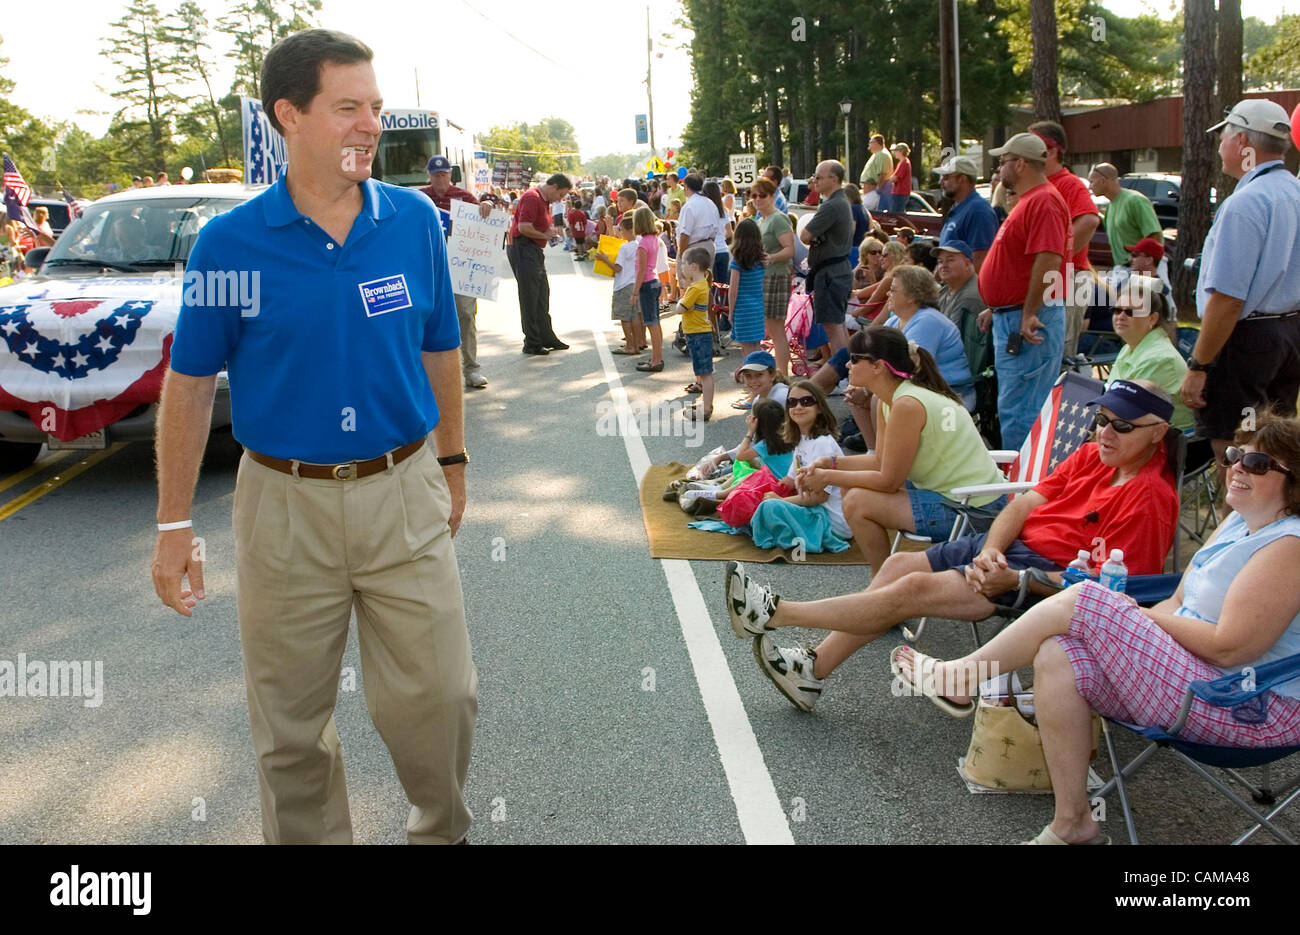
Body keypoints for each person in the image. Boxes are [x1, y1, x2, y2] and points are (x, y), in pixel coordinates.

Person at [154, 28, 476, 845]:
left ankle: (440, 831)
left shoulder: (411, 223)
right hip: (281, 506)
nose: (370, 124)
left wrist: (453, 462)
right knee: (290, 731)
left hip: (403, 488)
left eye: (374, 107)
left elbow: (441, 350)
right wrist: (172, 524)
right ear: (288, 116)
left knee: (440, 699)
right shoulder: (230, 245)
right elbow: (189, 387)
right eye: (348, 108)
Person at [891, 410, 1300, 845]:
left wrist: (1128, 616)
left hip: (1246, 705)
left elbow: (1229, 648)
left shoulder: (1287, 547)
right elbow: (1179, 601)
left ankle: (962, 676)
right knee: (1058, 652)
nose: (1236, 468)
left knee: (1088, 597)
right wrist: (1130, 623)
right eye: (1237, 455)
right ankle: (1074, 823)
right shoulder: (1239, 523)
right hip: (1193, 677)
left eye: (1256, 465)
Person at [726, 379, 1180, 713]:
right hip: (1004, 547)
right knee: (897, 569)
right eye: (1102, 419)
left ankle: (777, 612)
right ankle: (813, 669)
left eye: (1122, 425)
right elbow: (1022, 507)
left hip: (1044, 577)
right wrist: (991, 551)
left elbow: (1117, 591)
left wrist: (1018, 578)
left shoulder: (1150, 498)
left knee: (910, 593)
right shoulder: (1093, 455)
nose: (1105, 432)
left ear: (1158, 432)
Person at [796, 326, 1004, 571]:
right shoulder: (889, 399)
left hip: (974, 510)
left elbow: (888, 481)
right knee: (853, 488)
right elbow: (879, 461)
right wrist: (829, 463)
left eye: (854, 359)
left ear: (878, 366)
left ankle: (882, 581)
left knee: (858, 502)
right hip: (961, 498)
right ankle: (884, 579)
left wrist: (828, 477)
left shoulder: (906, 404)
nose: (848, 365)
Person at [1182, 98, 1300, 490]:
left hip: (1246, 341)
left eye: (1225, 136)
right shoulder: (1293, 191)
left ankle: (1241, 542)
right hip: (1286, 333)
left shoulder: (1246, 202)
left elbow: (1228, 299)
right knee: (1275, 451)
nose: (1220, 147)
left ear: (1243, 141)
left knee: (1236, 455)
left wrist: (1199, 365)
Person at [977, 132, 1070, 450]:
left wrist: (1028, 312)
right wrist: (997, 305)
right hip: (1015, 315)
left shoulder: (1043, 200)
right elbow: (1020, 262)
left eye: (1002, 161)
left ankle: (1023, 490)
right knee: (1015, 405)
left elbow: (1049, 259)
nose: (999, 168)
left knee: (1023, 410)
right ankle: (1020, 485)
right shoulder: (1030, 200)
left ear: (1019, 164)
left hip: (1028, 319)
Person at [746, 380, 851, 551]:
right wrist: (756, 490)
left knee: (770, 507)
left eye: (806, 401)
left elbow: (819, 497)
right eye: (792, 402)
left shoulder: (821, 443)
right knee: (758, 496)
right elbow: (788, 480)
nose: (798, 407)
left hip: (831, 521)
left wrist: (780, 500)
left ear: (819, 408)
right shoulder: (801, 439)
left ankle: (795, 536)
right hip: (815, 509)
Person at [420, 153, 493, 389]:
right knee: (423, 317)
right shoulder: (420, 197)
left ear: (450, 175)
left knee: (465, 314)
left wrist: (487, 206)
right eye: (436, 175)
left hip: (461, 270)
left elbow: (485, 220)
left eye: (444, 175)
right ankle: (426, 372)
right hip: (428, 269)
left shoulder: (464, 197)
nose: (440, 179)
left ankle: (471, 368)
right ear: (429, 175)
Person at [879, 266, 975, 409]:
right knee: (860, 395)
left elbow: (912, 366)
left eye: (893, 290)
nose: (888, 294)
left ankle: (890, 432)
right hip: (919, 386)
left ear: (911, 296)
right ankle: (877, 433)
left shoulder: (928, 321)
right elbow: (876, 353)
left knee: (878, 398)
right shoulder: (894, 320)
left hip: (948, 390)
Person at [1108, 275, 1193, 432]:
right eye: (1117, 310)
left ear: (1152, 318)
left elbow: (1128, 412)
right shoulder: (1129, 347)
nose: (1121, 316)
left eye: (1131, 312)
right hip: (1131, 429)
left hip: (1164, 440)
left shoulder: (1159, 358)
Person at [508, 173, 573, 355]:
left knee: (541, 295)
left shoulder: (542, 201)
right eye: (560, 195)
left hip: (533, 250)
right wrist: (545, 235)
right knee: (530, 297)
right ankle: (532, 342)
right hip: (523, 248)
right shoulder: (532, 197)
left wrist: (548, 231)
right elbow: (523, 227)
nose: (559, 199)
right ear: (554, 187)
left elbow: (535, 224)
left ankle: (546, 336)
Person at [801, 160, 855, 356]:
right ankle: (848, 369)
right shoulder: (842, 202)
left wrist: (815, 237)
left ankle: (843, 374)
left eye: (819, 177)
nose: (815, 181)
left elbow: (805, 235)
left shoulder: (832, 205)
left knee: (832, 327)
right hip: (837, 270)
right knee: (838, 324)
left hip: (830, 273)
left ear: (834, 179)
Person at [749, 177, 795, 375]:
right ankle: (774, 373)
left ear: (773, 196)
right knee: (768, 328)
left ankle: (783, 375)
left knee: (776, 330)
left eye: (763, 195)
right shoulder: (760, 220)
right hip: (763, 277)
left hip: (776, 277)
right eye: (754, 195)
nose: (758, 199)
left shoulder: (778, 218)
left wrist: (772, 257)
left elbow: (790, 249)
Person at [1087, 162, 1161, 268]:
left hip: (1146, 266)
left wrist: (1146, 266)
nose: (1089, 187)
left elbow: (1155, 236)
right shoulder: (1110, 207)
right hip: (1123, 267)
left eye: (1091, 182)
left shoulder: (1135, 201)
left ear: (1103, 181)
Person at [933, 155, 999, 270]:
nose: (941, 181)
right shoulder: (959, 208)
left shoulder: (978, 210)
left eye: (946, 177)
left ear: (962, 179)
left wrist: (968, 287)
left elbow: (980, 258)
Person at [676, 245, 715, 416]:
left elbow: (680, 308)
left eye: (684, 263)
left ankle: (706, 408)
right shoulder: (701, 285)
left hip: (698, 334)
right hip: (699, 333)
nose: (682, 267)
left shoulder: (695, 288)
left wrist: (681, 300)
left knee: (705, 373)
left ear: (693, 266)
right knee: (702, 371)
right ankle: (705, 404)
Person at [600, 215, 646, 355]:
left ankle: (630, 345)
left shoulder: (625, 247)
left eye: (621, 229)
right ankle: (638, 342)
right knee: (635, 316)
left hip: (623, 285)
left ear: (630, 230)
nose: (620, 232)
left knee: (625, 318)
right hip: (634, 283)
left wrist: (605, 260)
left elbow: (618, 268)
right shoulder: (639, 245)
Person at [630, 205, 665, 373]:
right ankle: (656, 356)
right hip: (655, 280)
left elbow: (641, 270)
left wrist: (635, 292)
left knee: (651, 323)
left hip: (647, 284)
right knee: (655, 323)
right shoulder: (654, 239)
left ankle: (656, 360)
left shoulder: (643, 243)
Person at [728, 217, 766, 366]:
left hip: (743, 309)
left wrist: (731, 312)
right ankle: (761, 374)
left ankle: (751, 375)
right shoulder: (761, 260)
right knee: (756, 345)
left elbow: (733, 290)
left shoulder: (737, 261)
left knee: (746, 348)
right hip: (758, 307)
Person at [859, 134, 893, 207]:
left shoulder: (882, 154)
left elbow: (882, 173)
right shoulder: (877, 154)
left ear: (876, 143)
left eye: (871, 142)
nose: (869, 144)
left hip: (874, 189)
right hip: (870, 190)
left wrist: (878, 189)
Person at [887, 142, 912, 213]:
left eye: (896, 151)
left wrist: (889, 178)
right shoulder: (903, 162)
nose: (894, 153)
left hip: (900, 193)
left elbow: (895, 178)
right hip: (900, 193)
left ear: (901, 151)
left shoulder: (904, 163)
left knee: (896, 215)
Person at [567, 196, 589, 260]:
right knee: (582, 241)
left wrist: (571, 231)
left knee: (578, 243)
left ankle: (580, 255)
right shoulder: (582, 213)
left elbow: (571, 224)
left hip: (576, 230)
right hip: (582, 229)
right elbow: (585, 223)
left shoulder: (572, 214)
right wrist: (584, 230)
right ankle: (585, 253)